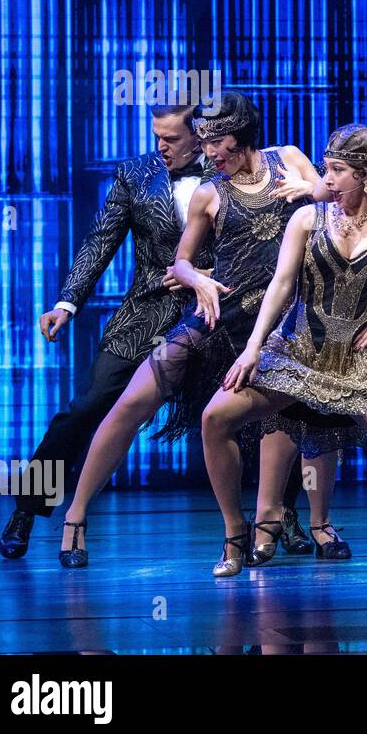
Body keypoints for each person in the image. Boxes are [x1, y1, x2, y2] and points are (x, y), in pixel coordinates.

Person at [52, 93, 321, 567]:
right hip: (219, 310)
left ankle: (266, 523)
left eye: (219, 141)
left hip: (283, 315)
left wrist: (310, 190)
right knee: (131, 402)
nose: (211, 151)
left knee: (281, 416)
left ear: (242, 134)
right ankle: (75, 516)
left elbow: (336, 198)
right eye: (206, 141)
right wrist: (197, 278)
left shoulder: (290, 160)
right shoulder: (209, 192)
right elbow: (180, 259)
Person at [203, 125, 367, 577]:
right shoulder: (309, 219)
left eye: (337, 170)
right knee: (215, 417)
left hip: (359, 363)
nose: (327, 178)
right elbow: (281, 287)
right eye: (327, 168)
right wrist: (253, 347)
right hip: (300, 353)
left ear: (364, 174)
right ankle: (234, 533)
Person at [0, 104, 212, 559]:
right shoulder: (135, 174)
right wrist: (66, 301)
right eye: (157, 136)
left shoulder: (229, 171)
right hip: (146, 313)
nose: (161, 147)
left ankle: (283, 519)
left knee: (273, 405)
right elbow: (101, 241)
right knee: (86, 407)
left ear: (199, 136)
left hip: (215, 312)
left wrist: (205, 272)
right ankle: (28, 506)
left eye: (171, 139)